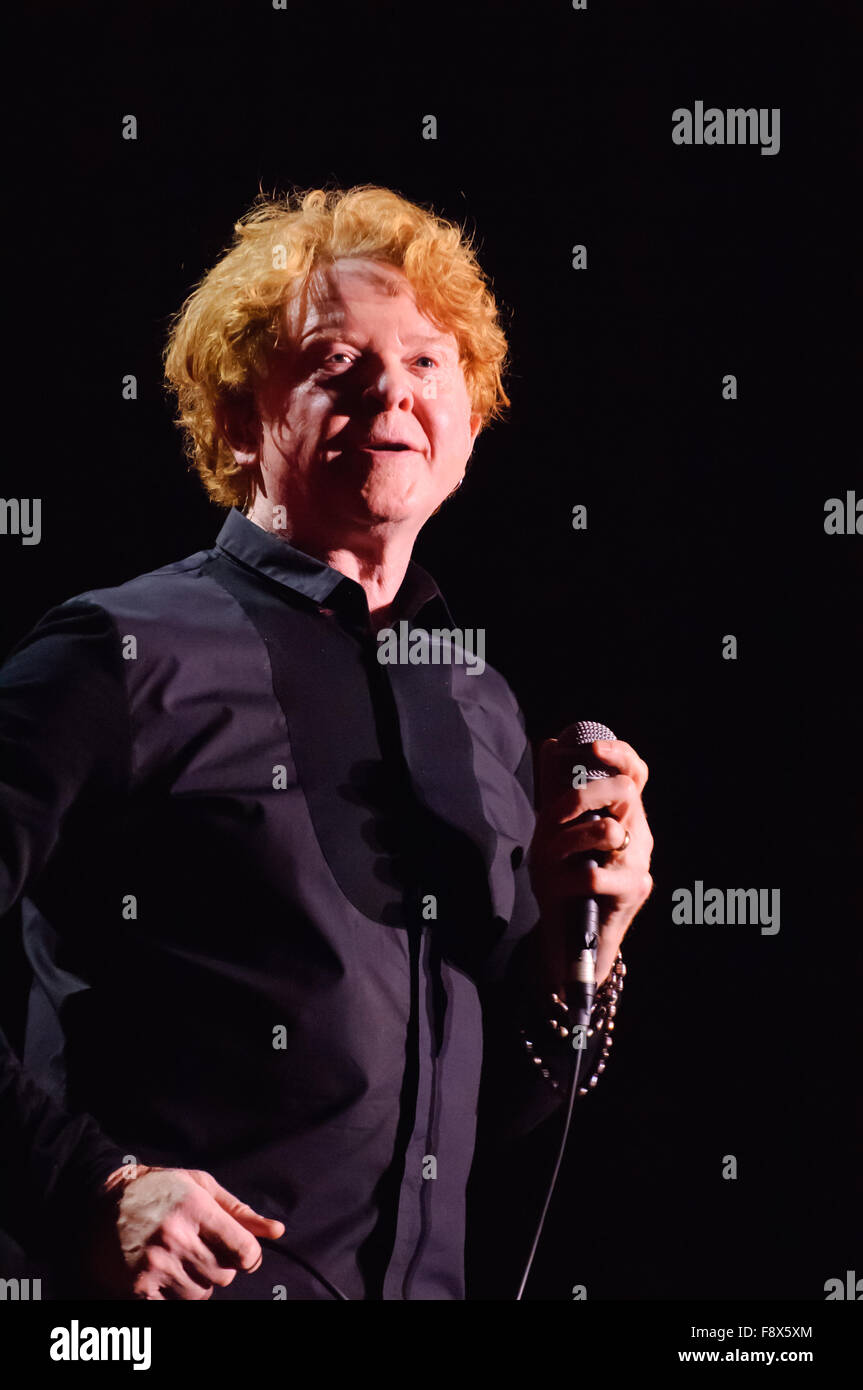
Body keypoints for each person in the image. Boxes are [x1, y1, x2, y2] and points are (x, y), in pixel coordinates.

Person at [0, 185, 653, 1300]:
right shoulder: (116, 656)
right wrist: (89, 1188)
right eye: (336, 363)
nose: (391, 391)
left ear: (469, 424)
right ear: (240, 421)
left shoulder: (480, 706)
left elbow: (492, 1108)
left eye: (427, 362)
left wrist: (578, 945)